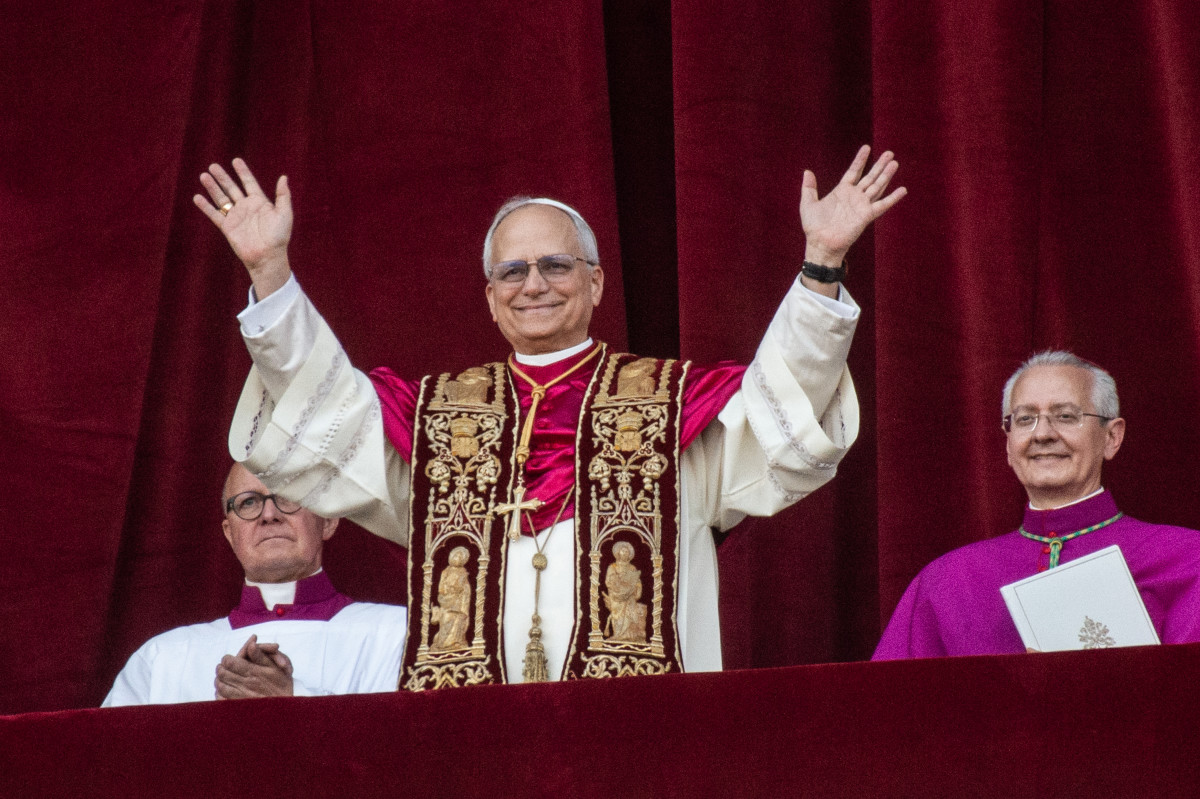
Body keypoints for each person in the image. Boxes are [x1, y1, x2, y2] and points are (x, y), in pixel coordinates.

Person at [194, 145, 905, 687]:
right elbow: (322, 412)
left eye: (556, 265)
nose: (533, 283)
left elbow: (785, 410)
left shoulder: (670, 406)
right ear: (490, 296)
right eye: (513, 270)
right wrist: (270, 274)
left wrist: (823, 262)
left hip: (639, 747)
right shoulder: (437, 421)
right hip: (471, 749)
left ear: (596, 283)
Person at [873, 351, 1200, 660]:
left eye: (1066, 416)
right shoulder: (945, 581)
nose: (1042, 433)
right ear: (1008, 443)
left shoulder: (1187, 560)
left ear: (1111, 437)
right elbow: (891, 708)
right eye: (1025, 418)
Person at [102, 464, 406, 705]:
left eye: (288, 496)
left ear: (327, 520)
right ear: (230, 534)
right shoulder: (162, 659)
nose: (269, 515)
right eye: (248, 502)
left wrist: (293, 700)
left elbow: (413, 757)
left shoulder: (398, 635)